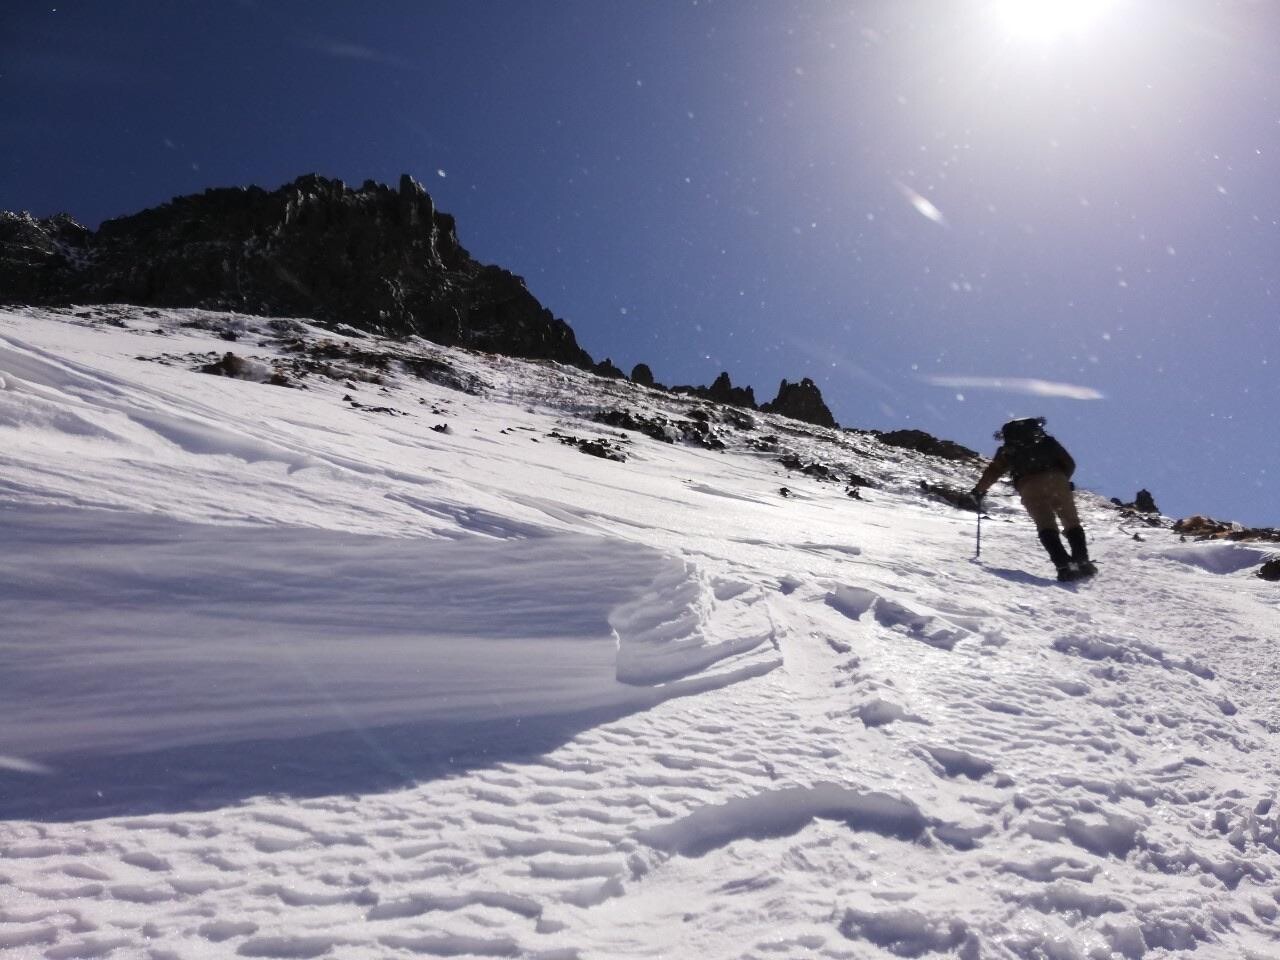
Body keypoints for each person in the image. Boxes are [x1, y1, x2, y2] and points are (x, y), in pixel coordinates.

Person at [969, 417, 1096, 582]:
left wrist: (978, 491)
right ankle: (1082, 561)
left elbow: (993, 472)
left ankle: (1064, 566)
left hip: (1028, 485)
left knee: (1045, 525)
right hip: (1056, 479)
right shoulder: (1047, 442)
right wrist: (1063, 479)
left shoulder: (1007, 450)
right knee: (1071, 521)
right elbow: (1069, 463)